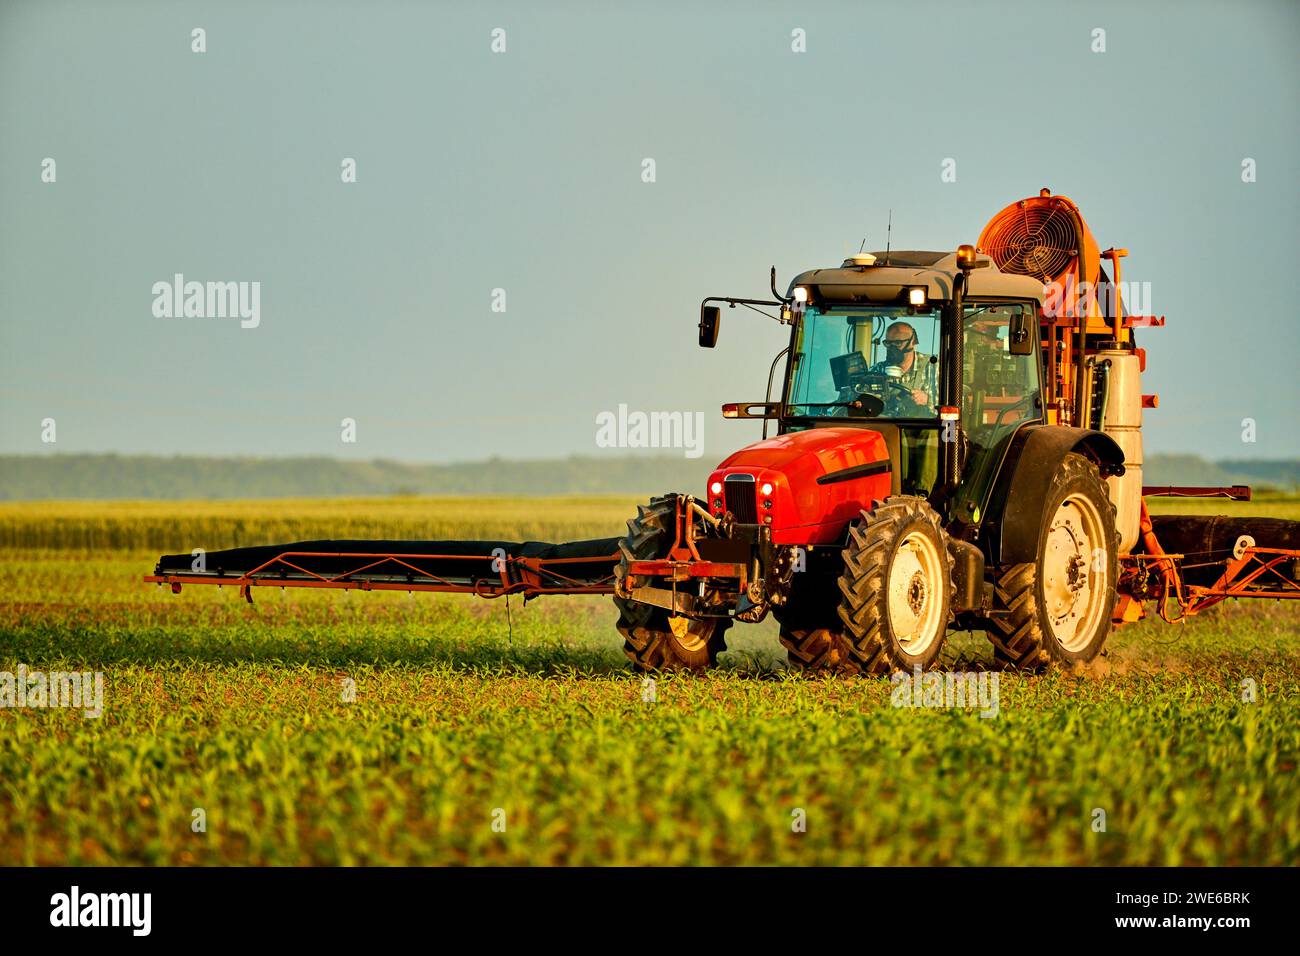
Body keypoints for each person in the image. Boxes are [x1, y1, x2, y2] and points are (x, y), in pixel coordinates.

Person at [870, 321, 935, 411]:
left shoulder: (933, 367)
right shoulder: (877, 370)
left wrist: (928, 400)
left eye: (898, 343)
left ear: (912, 342)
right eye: (888, 343)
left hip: (922, 424)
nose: (892, 348)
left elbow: (956, 402)